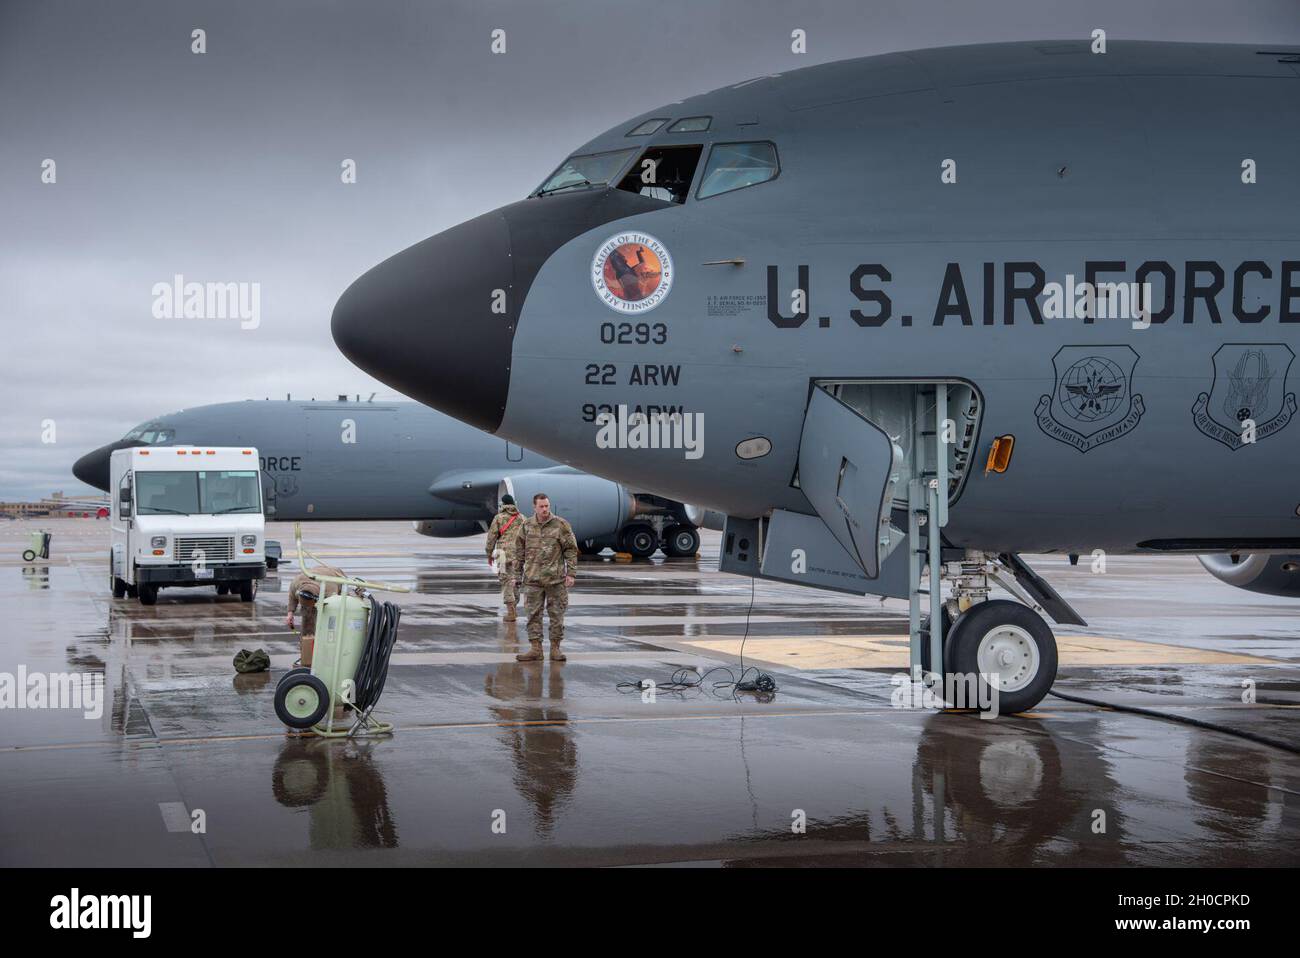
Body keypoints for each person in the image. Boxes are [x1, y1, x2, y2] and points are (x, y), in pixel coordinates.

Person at [511, 492, 577, 662]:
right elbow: (519, 553)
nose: (545, 509)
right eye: (541, 506)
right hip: (533, 580)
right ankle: (535, 649)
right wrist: (516, 576)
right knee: (533, 615)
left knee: (556, 615)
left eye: (547, 506)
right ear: (535, 507)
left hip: (556, 581)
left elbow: (570, 549)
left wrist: (571, 573)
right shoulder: (526, 526)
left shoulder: (561, 525)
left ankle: (555, 649)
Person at [485, 494, 525, 619]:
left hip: (502, 554)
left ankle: (511, 610)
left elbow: (491, 538)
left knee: (505, 580)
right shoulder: (522, 518)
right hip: (518, 554)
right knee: (516, 581)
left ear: (503, 504)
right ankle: (514, 606)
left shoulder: (498, 517)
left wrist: (489, 554)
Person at [285, 564, 345, 639]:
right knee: (307, 613)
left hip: (335, 575)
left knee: (328, 619)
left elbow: (334, 607)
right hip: (316, 574)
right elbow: (292, 597)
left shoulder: (330, 589)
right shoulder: (297, 582)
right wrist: (290, 614)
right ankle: (306, 640)